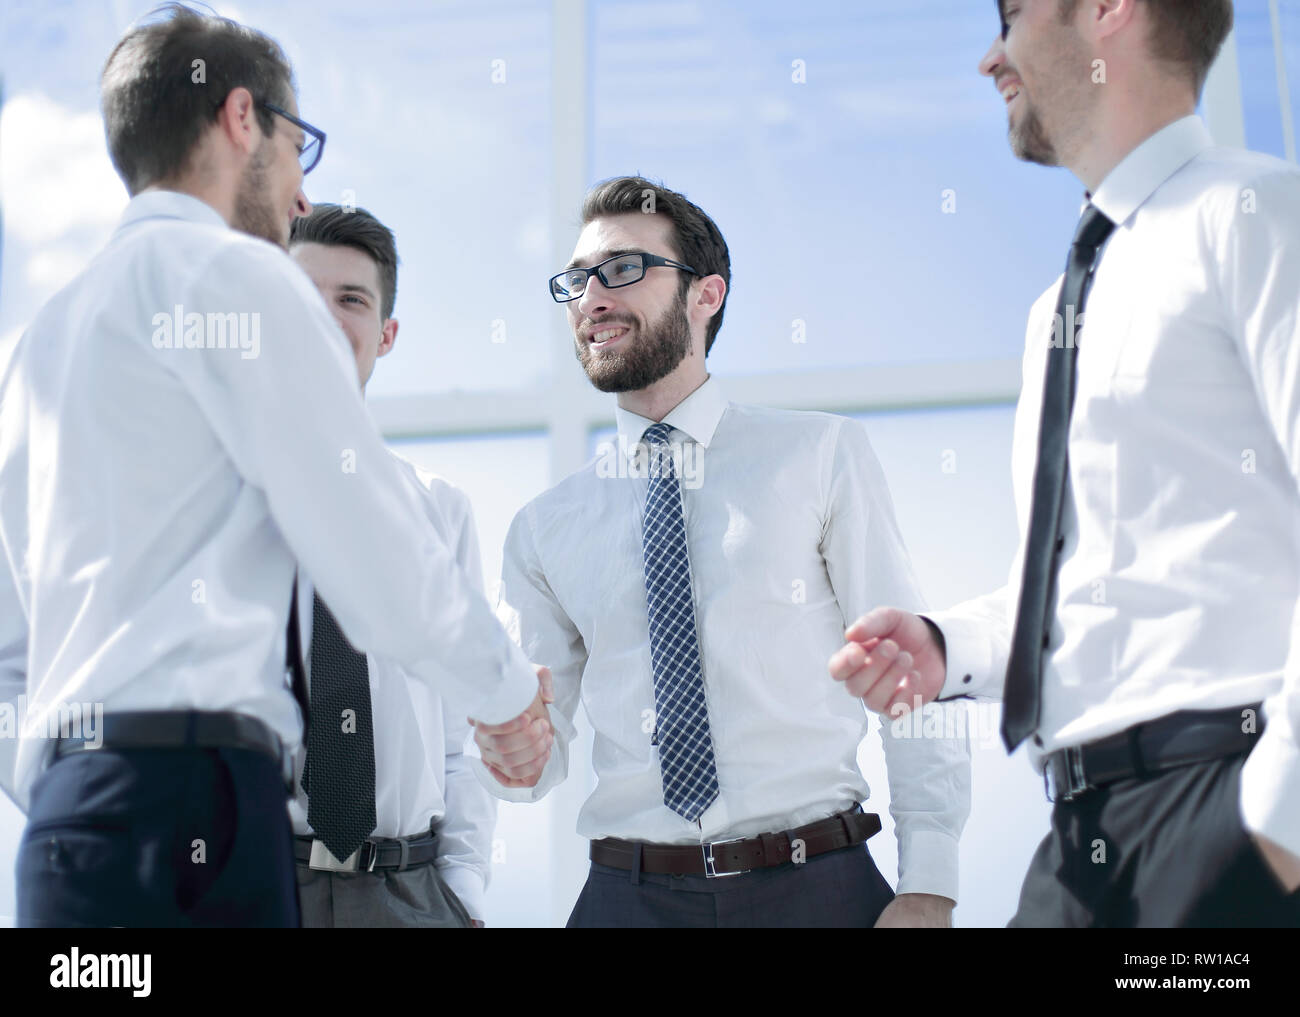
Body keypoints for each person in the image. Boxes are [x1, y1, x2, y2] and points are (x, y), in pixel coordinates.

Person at [0, 4, 550, 928]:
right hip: (206, 803)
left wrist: (69, 788)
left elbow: (10, 654)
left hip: (66, 834)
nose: (300, 195)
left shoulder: (35, 345)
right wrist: (505, 697)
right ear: (241, 117)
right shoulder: (243, 283)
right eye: (303, 148)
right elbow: (379, 560)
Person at [830, 0, 1300, 926]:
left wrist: (1273, 826)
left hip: (1222, 811)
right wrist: (946, 646)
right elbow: (1098, 580)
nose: (989, 59)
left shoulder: (1256, 213)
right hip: (1084, 843)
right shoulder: (1059, 304)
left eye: (1009, 15)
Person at [472, 176, 969, 928]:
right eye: (577, 280)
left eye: (623, 269)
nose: (592, 297)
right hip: (624, 898)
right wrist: (514, 750)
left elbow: (910, 679)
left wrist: (929, 878)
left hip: (817, 888)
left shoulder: (820, 454)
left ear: (706, 294)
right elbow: (538, 753)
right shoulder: (545, 526)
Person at [287, 203, 498, 927]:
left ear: (387, 333)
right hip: (262, 886)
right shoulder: (225, 506)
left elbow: (465, 732)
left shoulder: (439, 511)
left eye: (351, 298)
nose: (324, 317)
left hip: (411, 895)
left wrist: (463, 890)